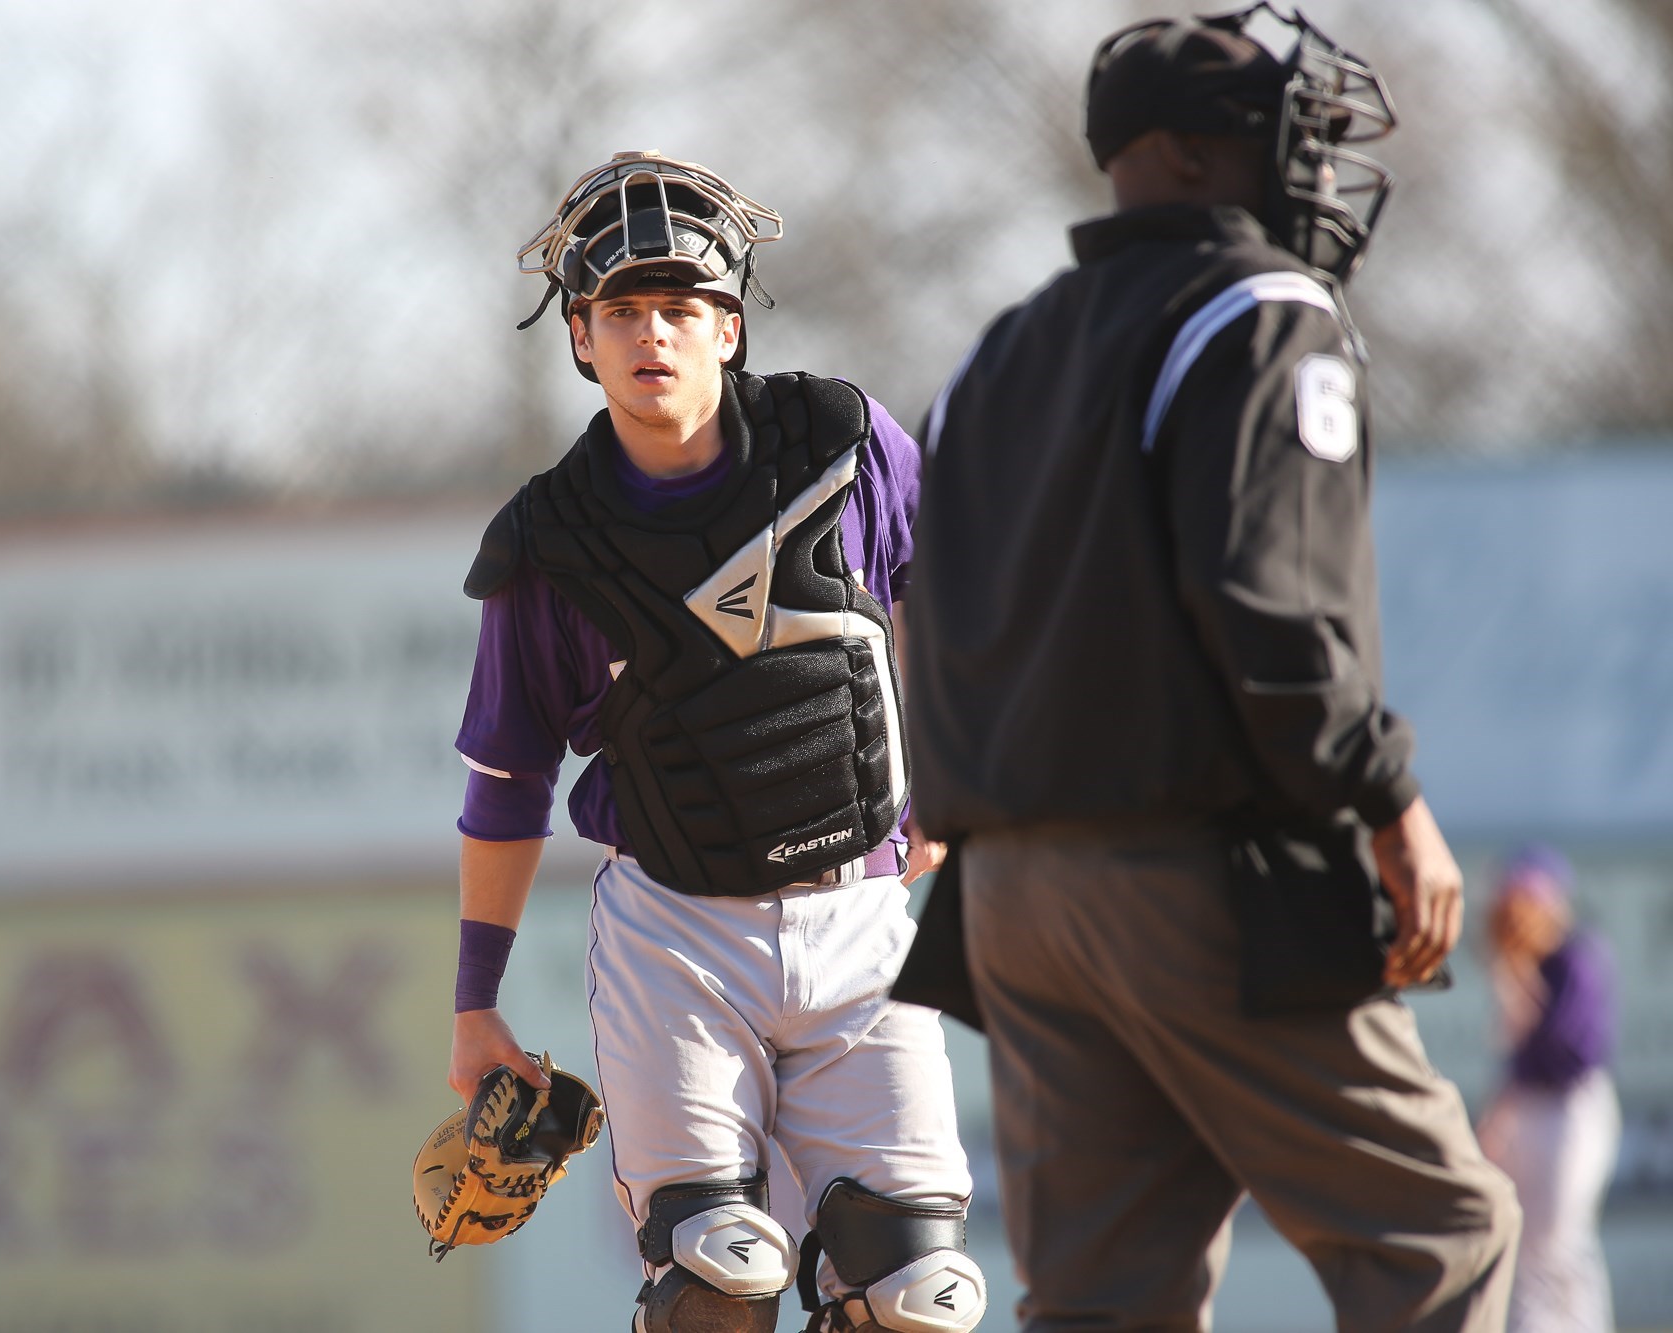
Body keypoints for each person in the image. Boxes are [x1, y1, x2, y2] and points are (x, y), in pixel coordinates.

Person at [900, 7, 1522, 1330]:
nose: (1312, 164)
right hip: (1188, 877)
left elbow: (922, 612)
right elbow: (1267, 610)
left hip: (1009, 898)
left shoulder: (999, 347)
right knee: (1439, 1235)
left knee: (1101, 1299)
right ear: (1182, 154)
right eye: (1283, 134)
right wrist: (1387, 798)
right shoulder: (1259, 306)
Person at [446, 151, 986, 1333]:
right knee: (715, 1282)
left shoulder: (841, 443)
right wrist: (474, 1002)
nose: (652, 332)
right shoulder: (547, 544)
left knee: (919, 1300)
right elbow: (506, 784)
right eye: (620, 310)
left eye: (680, 307)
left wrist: (953, 773)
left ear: (728, 328)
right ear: (580, 338)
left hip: (860, 923)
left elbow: (958, 594)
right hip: (677, 939)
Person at [1476, 845, 1621, 1333]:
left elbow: (1565, 1053)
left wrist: (1522, 978)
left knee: (1559, 1245)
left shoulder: (1577, 957)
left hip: (1571, 1107)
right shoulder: (1520, 962)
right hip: (1531, 1110)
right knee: (1527, 1246)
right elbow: (1516, 1060)